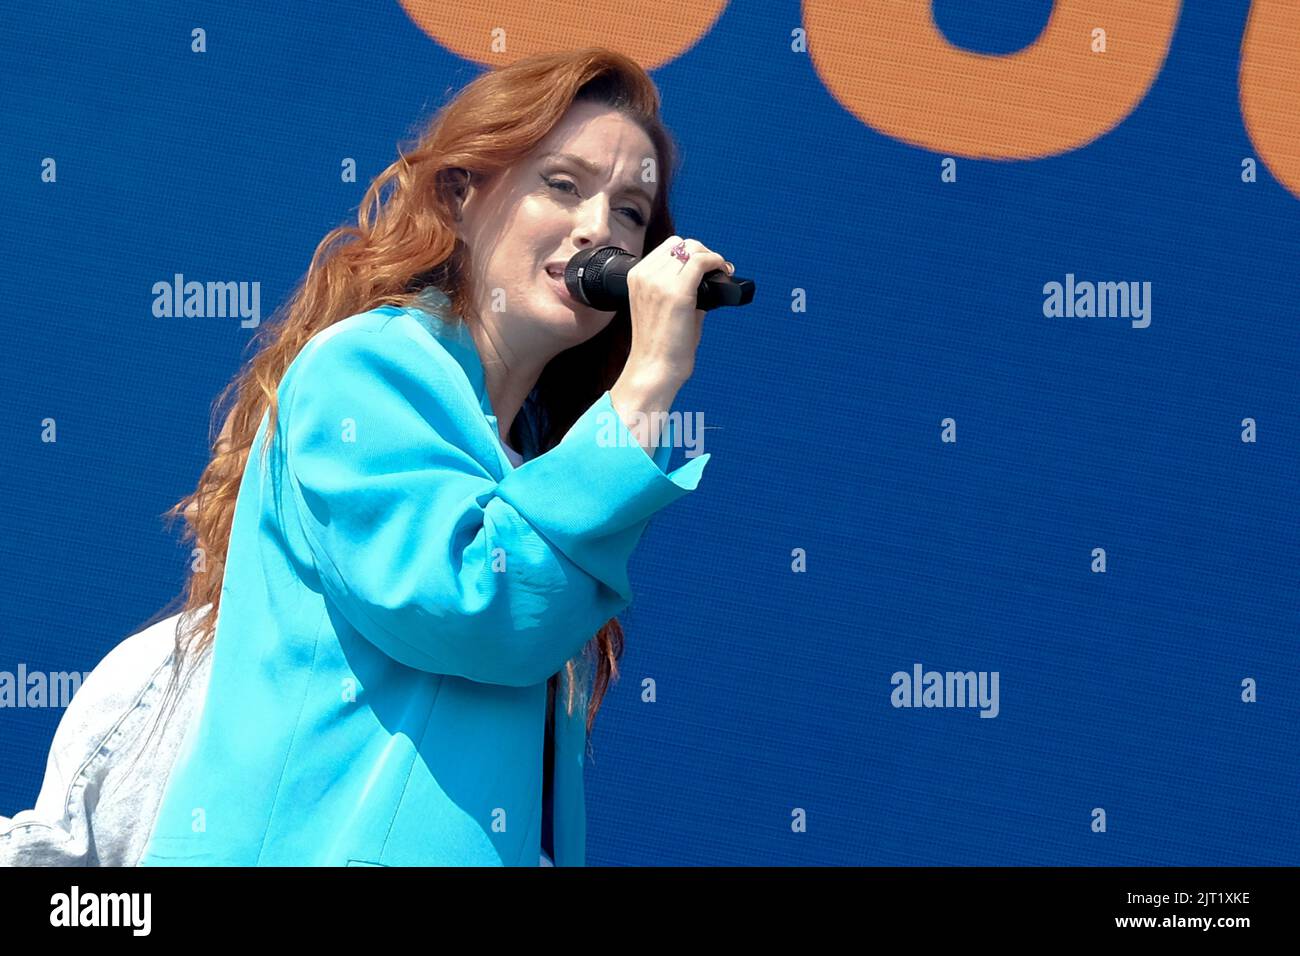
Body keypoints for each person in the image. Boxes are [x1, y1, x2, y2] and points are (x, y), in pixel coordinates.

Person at [125, 47, 729, 867]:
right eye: (562, 185)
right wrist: (650, 379)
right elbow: (481, 606)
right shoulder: (368, 365)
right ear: (460, 193)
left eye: (631, 210)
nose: (599, 229)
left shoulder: (523, 466)